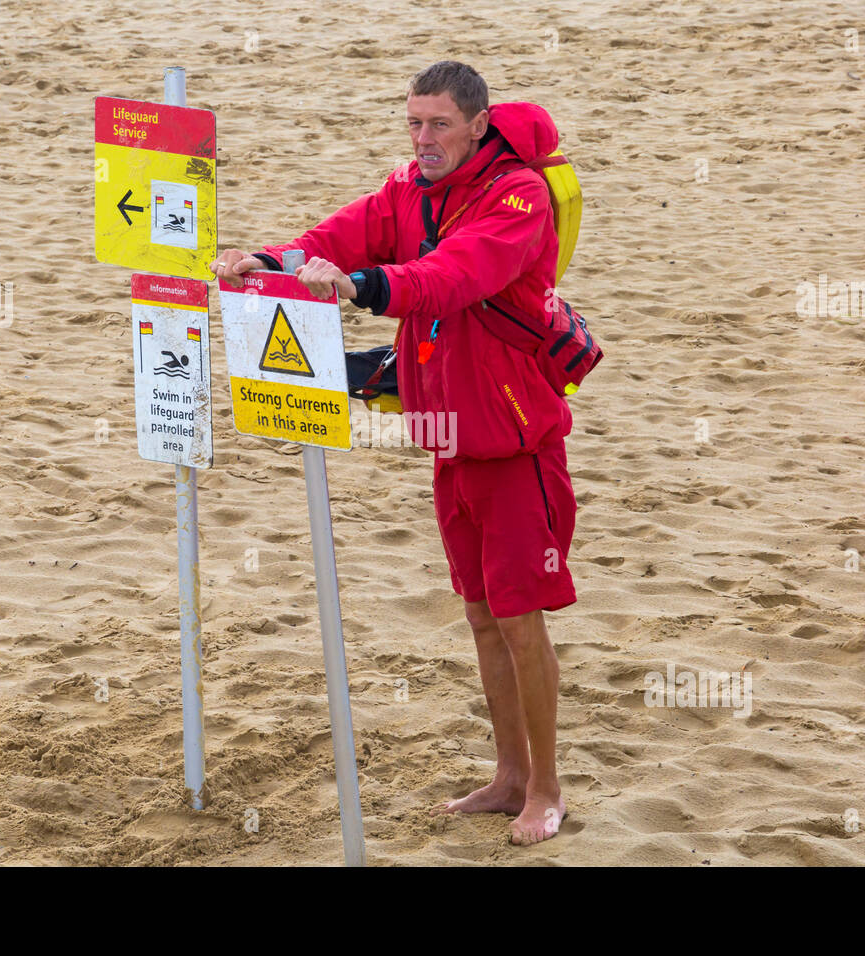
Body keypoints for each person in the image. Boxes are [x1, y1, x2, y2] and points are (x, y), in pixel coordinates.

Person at [209, 60, 577, 845]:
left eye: (438, 124)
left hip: (516, 442)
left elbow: (453, 275)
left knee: (520, 620)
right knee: (481, 617)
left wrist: (362, 287)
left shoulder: (520, 197)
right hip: (449, 435)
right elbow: (337, 234)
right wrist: (267, 260)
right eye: (413, 122)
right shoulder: (408, 188)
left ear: (478, 124)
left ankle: (546, 787)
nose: (423, 139)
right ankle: (508, 774)